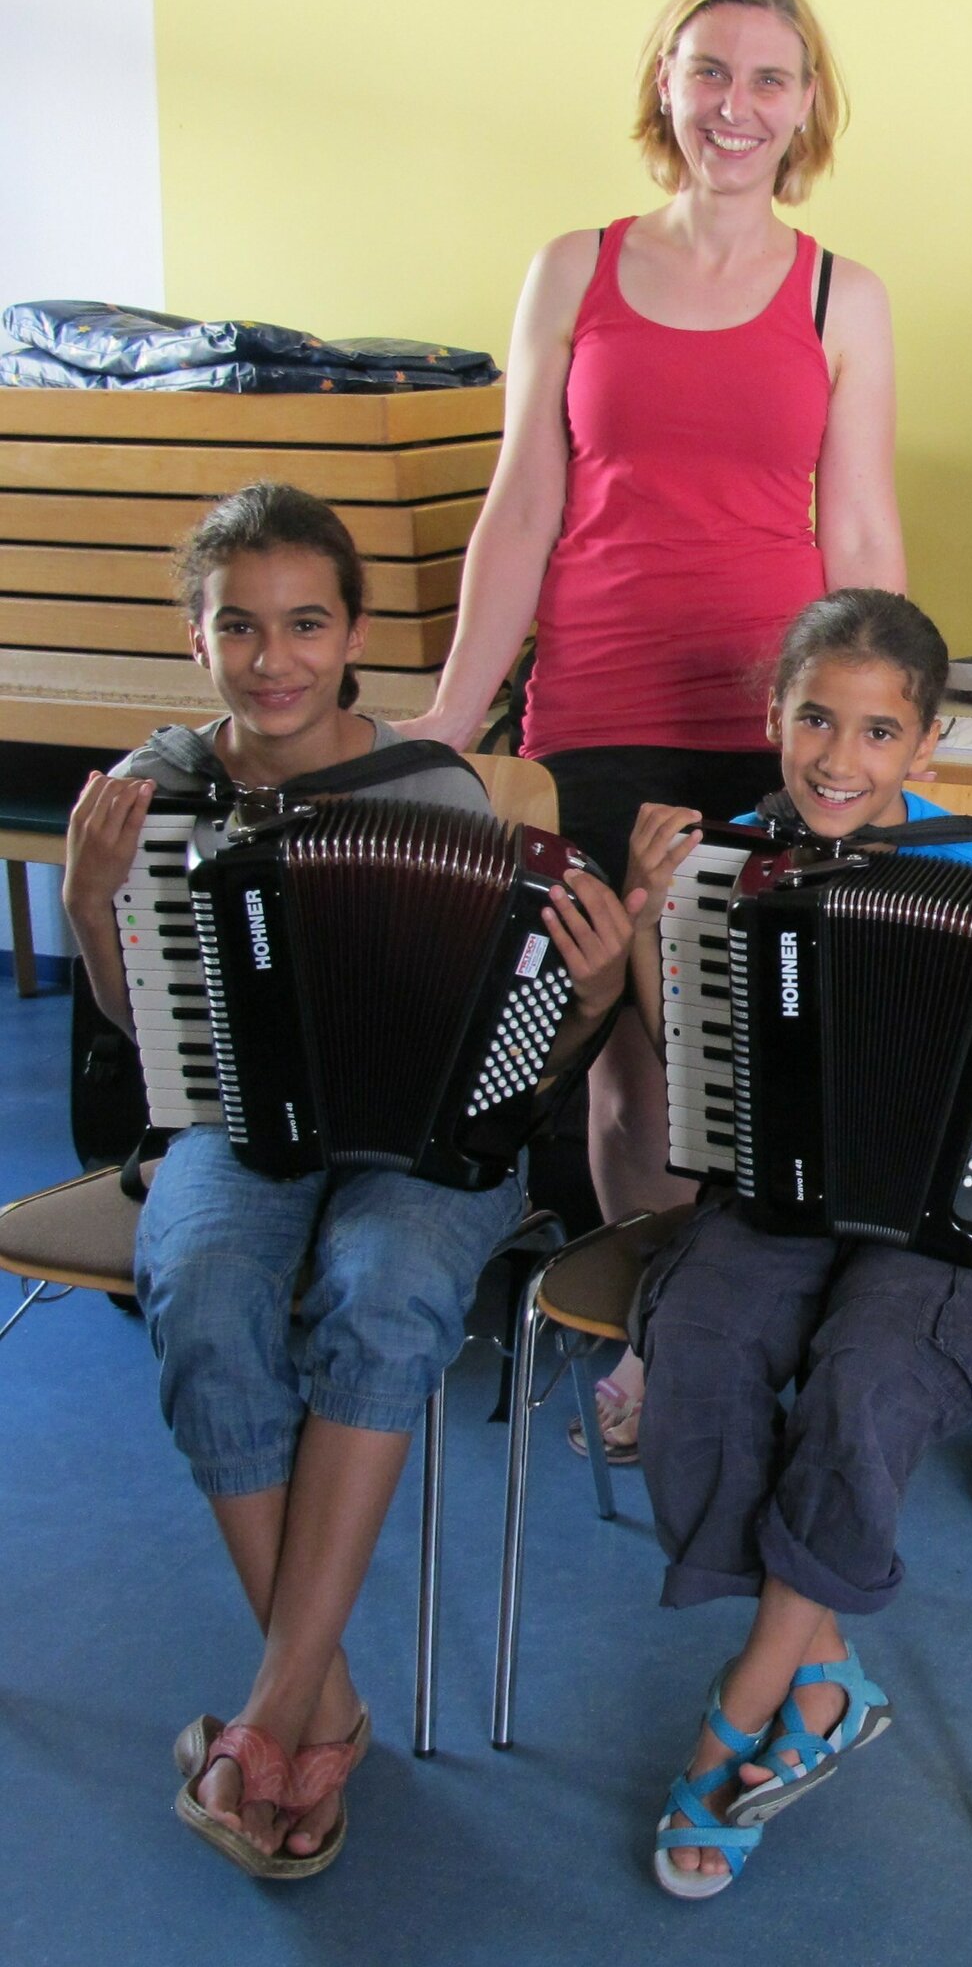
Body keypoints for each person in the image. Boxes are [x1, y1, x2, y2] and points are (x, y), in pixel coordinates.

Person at [62, 483, 637, 1878]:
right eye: (240, 627)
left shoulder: (426, 789)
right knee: (199, 1290)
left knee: (384, 1287)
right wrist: (91, 912)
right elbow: (149, 1032)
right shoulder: (155, 789)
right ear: (194, 638)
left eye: (305, 625)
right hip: (230, 1124)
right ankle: (316, 1712)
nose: (274, 659)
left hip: (423, 1136)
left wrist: (600, 980)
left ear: (355, 632)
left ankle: (264, 1714)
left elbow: (506, 1055)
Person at [397, 0, 906, 1464]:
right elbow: (520, 512)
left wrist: (879, 748)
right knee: (627, 1038)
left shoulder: (840, 294)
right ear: (666, 86)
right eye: (709, 72)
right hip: (601, 704)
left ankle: (729, 1320)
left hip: (775, 730)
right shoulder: (574, 269)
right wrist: (448, 719)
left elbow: (861, 534)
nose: (734, 105)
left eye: (767, 78)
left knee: (749, 1041)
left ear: (805, 104)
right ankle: (650, 1345)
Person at [616, 590, 972, 1898]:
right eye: (815, 720)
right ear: (774, 716)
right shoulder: (727, 864)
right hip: (773, 1194)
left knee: (865, 1381)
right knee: (698, 1347)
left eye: (877, 731)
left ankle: (740, 1705)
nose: (839, 758)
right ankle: (825, 1674)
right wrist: (645, 928)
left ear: (924, 746)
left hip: (942, 1226)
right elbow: (684, 1060)